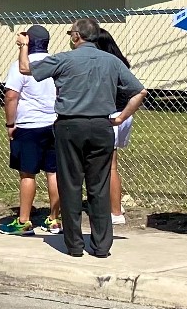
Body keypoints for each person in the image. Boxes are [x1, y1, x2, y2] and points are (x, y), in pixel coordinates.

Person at [22, 19, 146, 259]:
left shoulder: (65, 59)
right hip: (101, 126)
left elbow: (27, 69)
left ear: (77, 36)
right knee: (98, 185)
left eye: (71, 33)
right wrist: (120, 118)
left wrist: (23, 46)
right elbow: (140, 91)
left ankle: (75, 244)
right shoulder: (112, 61)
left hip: (70, 125)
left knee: (70, 184)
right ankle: (101, 246)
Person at [1, 25, 62, 236]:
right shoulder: (56, 63)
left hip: (29, 125)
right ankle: (55, 219)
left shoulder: (19, 65)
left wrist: (10, 124)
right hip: (54, 123)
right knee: (54, 172)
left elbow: (11, 96)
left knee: (27, 174)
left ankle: (24, 221)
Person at [94, 30, 134, 226]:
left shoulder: (104, 64)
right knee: (109, 164)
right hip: (124, 114)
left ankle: (115, 211)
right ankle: (114, 203)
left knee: (109, 166)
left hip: (111, 117)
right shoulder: (120, 62)